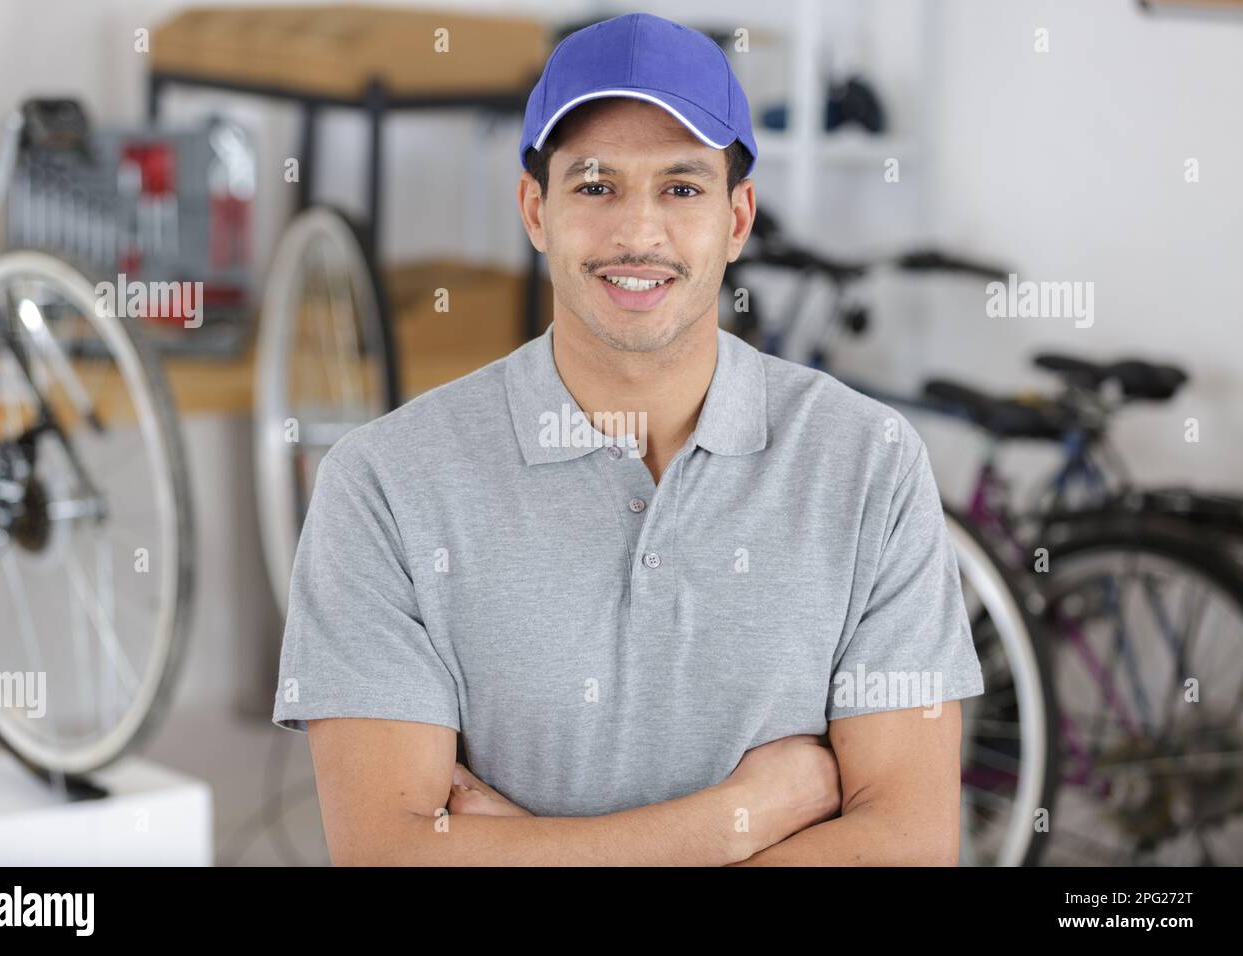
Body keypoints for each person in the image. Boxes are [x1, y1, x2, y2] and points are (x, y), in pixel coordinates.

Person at [272, 12, 984, 865]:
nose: (637, 235)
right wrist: (743, 817)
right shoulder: (382, 485)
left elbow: (908, 847)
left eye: (681, 188)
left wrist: (526, 850)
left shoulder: (871, 465)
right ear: (536, 209)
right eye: (596, 186)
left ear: (737, 217)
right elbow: (389, 857)